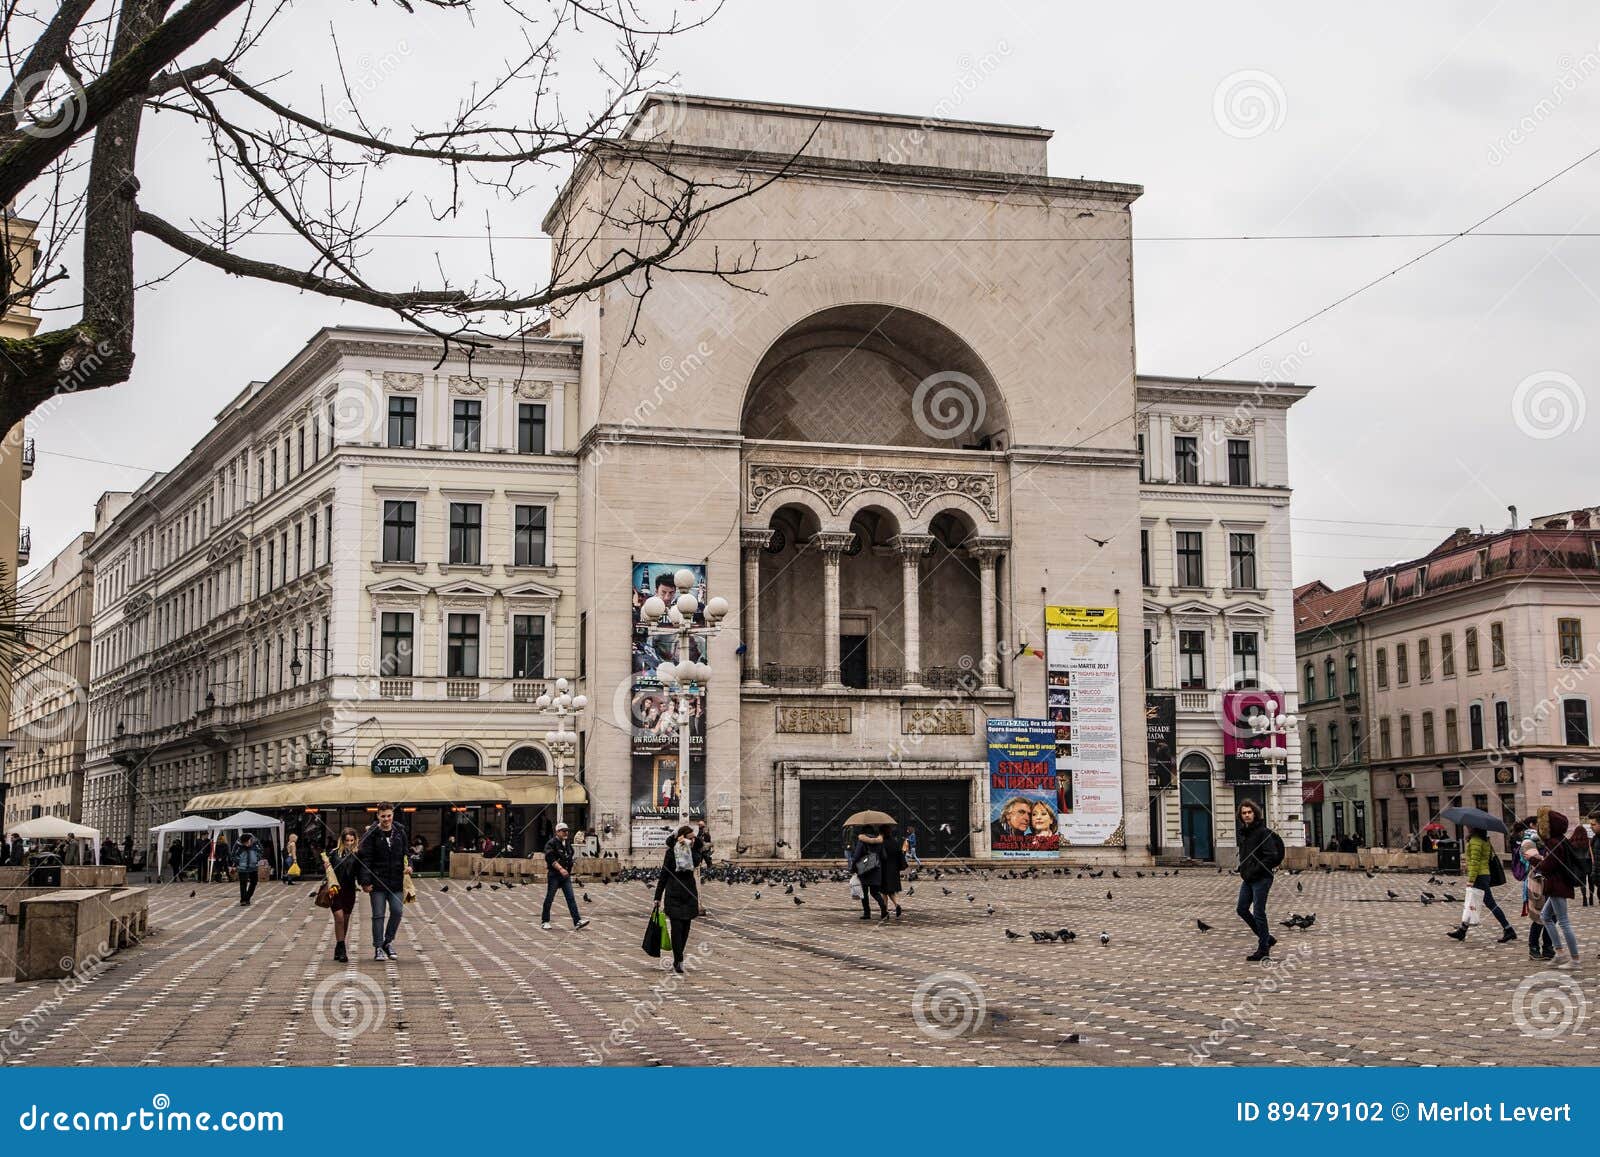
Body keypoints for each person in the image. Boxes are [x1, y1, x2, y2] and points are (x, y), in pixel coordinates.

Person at [356, 803, 413, 962]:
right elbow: (365, 859)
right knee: (378, 915)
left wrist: (409, 866)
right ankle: (378, 947)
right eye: (383, 816)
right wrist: (365, 882)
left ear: (392, 815)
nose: (386, 819)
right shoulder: (371, 834)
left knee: (397, 911)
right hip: (378, 881)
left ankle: (388, 942)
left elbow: (406, 853)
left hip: (396, 880)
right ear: (378, 816)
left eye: (389, 815)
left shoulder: (400, 832)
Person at [1528, 809, 1582, 969]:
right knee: (1545, 916)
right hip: (1556, 885)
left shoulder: (1553, 842)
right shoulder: (1560, 840)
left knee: (1564, 922)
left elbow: (1549, 866)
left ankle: (1575, 960)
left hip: (1558, 886)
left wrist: (1533, 860)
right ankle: (1559, 953)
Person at [1234, 799, 1284, 962]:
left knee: (1259, 912)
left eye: (1249, 812)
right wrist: (1243, 869)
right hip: (1248, 877)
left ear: (1255, 813)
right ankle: (1267, 938)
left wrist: (1255, 870)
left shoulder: (1263, 832)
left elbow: (1270, 856)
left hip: (1262, 878)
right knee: (1241, 908)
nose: (1247, 815)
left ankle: (1263, 949)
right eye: (1244, 813)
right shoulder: (1243, 833)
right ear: (1240, 816)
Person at [1447, 826, 1517, 944]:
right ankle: (1462, 930)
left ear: (1475, 828)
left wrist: (1471, 879)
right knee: (1472, 902)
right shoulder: (1485, 840)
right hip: (1484, 875)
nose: (1467, 827)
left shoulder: (1475, 841)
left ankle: (1508, 929)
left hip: (1479, 876)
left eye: (1469, 826)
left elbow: (1475, 862)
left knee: (1490, 903)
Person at [654, 824, 706, 974]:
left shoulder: (694, 851)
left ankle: (678, 956)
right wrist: (657, 896)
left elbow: (696, 862)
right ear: (681, 837)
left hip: (689, 893)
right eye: (690, 838)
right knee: (676, 928)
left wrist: (692, 846)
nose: (693, 840)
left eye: (694, 838)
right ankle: (679, 959)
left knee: (685, 928)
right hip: (674, 893)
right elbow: (664, 874)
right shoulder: (671, 853)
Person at [540, 822, 590, 931]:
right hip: (554, 875)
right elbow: (550, 859)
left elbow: (570, 855)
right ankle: (545, 921)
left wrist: (571, 865)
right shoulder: (551, 843)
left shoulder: (567, 843)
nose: (566, 833)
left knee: (571, 898)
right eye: (563, 831)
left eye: (567, 831)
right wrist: (561, 869)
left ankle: (577, 921)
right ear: (557, 832)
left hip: (565, 876)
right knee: (550, 898)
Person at [322, 828, 361, 963]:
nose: (349, 843)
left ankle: (339, 945)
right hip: (335, 889)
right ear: (342, 840)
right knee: (339, 917)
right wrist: (326, 865)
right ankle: (342, 948)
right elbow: (324, 869)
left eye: (352, 840)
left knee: (345, 919)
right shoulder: (333, 854)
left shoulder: (358, 854)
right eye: (347, 840)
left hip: (350, 890)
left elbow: (362, 872)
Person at [1518, 819, 1554, 961]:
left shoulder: (1548, 842)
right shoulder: (1528, 842)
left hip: (1550, 883)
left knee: (1552, 917)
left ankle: (1548, 947)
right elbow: (1538, 860)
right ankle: (1533, 947)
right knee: (1538, 917)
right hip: (1536, 884)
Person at [850, 827, 889, 920]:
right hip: (876, 869)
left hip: (864, 869)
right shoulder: (880, 841)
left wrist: (853, 867)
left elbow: (856, 855)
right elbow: (884, 856)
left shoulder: (862, 841)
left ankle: (867, 913)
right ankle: (883, 908)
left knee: (864, 893)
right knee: (875, 892)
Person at [877, 823, 906, 919]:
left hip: (884, 869)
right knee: (890, 890)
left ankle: (885, 911)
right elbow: (900, 855)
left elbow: (879, 856)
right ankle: (895, 906)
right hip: (894, 870)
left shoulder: (881, 842)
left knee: (884, 891)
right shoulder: (895, 842)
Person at [234, 834, 264, 906]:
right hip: (242, 867)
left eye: (247, 843)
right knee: (243, 883)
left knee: (254, 882)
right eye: (244, 843)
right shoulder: (238, 844)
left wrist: (257, 859)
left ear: (250, 840)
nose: (246, 845)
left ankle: (247, 897)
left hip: (253, 866)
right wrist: (238, 862)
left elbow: (261, 851)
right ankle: (243, 900)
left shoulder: (256, 843)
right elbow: (233, 854)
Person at [1572, 822, 1594, 908]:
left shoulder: (1572, 841)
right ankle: (1591, 898)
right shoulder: (1588, 840)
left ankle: (1584, 899)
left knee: (1582, 882)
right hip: (1588, 862)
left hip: (1579, 863)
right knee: (1591, 881)